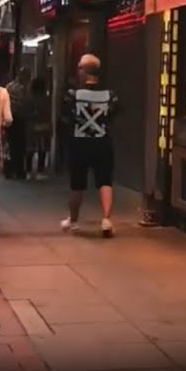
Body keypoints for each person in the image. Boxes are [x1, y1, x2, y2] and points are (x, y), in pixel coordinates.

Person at [61, 54, 119, 238]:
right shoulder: (110, 95)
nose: (77, 71)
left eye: (79, 68)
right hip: (102, 143)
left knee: (77, 184)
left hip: (79, 144)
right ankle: (107, 220)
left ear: (84, 72)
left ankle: (74, 220)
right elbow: (112, 115)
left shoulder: (72, 95)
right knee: (105, 181)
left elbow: (65, 118)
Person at [25, 76, 53, 180]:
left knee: (30, 149)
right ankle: (40, 171)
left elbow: (26, 112)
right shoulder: (47, 99)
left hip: (31, 126)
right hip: (44, 125)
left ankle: (28, 171)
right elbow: (48, 114)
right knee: (42, 149)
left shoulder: (29, 99)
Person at [5, 67, 31, 180]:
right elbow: (24, 103)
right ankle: (16, 170)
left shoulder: (10, 86)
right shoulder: (20, 88)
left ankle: (12, 169)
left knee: (13, 145)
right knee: (17, 145)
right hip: (17, 118)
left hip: (14, 118)